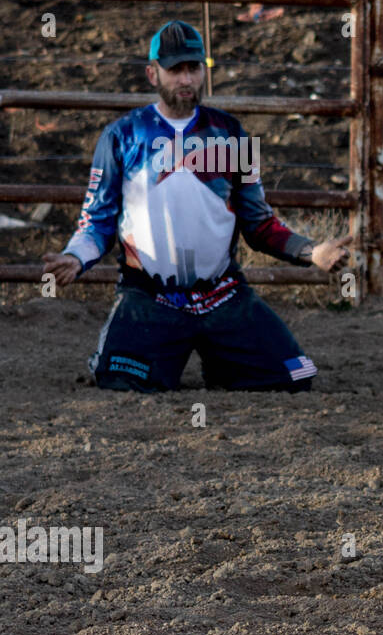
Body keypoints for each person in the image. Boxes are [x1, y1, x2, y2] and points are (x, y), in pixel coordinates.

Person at [41, 19, 351, 392]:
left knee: (293, 377)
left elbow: (259, 222)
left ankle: (222, 363)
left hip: (221, 292)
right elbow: (97, 221)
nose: (186, 80)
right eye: (175, 71)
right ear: (152, 74)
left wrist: (311, 251)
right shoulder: (121, 136)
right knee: (121, 380)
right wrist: (75, 257)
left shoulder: (233, 134)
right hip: (150, 296)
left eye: (194, 68)